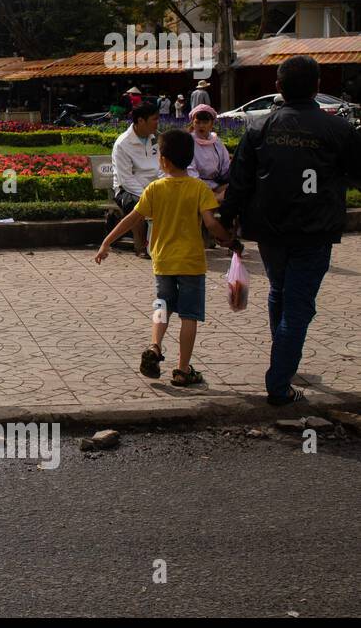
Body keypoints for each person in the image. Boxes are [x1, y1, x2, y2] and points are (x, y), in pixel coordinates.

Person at [218, 55, 361, 406]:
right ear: (317, 87)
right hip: (315, 231)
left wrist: (226, 222)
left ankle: (282, 363)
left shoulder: (259, 129)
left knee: (281, 293)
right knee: (298, 307)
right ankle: (279, 383)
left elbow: (239, 183)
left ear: (278, 87)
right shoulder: (339, 130)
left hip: (270, 231)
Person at [96, 129, 236, 386]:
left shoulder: (155, 189)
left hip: (162, 260)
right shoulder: (199, 189)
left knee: (162, 306)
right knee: (189, 316)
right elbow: (210, 224)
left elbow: (132, 219)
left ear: (164, 161)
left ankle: (154, 346)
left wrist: (107, 242)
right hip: (191, 262)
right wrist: (228, 239)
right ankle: (183, 370)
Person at [110, 101, 161, 256]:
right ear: (140, 121)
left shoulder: (156, 139)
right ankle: (140, 246)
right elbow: (126, 179)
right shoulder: (123, 144)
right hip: (128, 190)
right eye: (154, 119)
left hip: (155, 186)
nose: (157, 123)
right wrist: (147, 194)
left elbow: (163, 167)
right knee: (139, 205)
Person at [186, 105, 231, 201]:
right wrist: (208, 191)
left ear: (211, 124)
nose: (201, 126)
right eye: (197, 122)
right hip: (197, 187)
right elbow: (190, 172)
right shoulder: (188, 142)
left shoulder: (216, 141)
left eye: (205, 122)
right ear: (193, 123)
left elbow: (226, 166)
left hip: (216, 184)